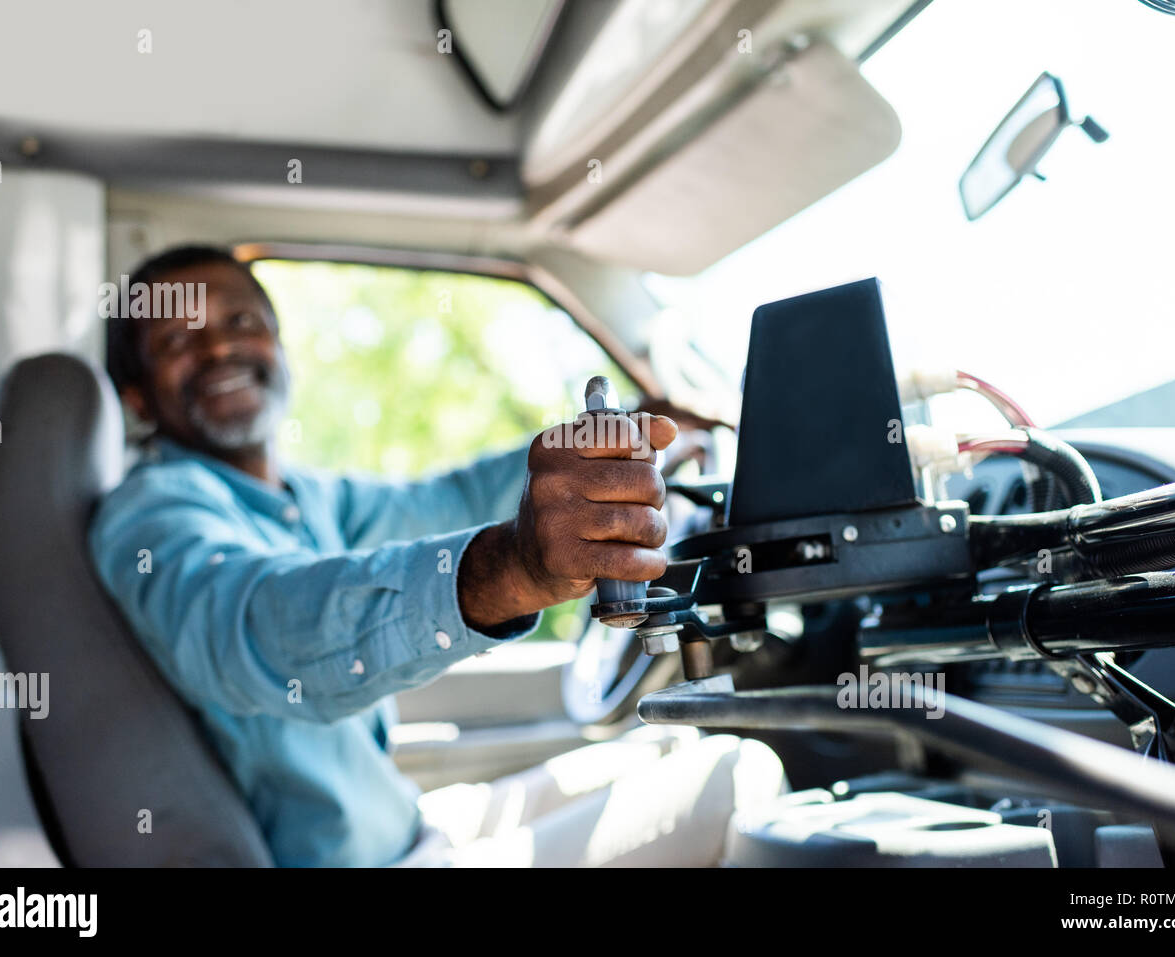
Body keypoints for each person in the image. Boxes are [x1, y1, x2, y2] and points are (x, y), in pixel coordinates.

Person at [89, 244, 786, 867]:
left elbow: (449, 501)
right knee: (734, 774)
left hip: (409, 826)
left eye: (242, 322)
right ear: (136, 395)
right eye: (180, 337)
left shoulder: (302, 495)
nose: (219, 349)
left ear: (278, 345)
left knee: (669, 747)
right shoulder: (152, 515)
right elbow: (264, 620)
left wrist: (617, 441)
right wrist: (513, 569)